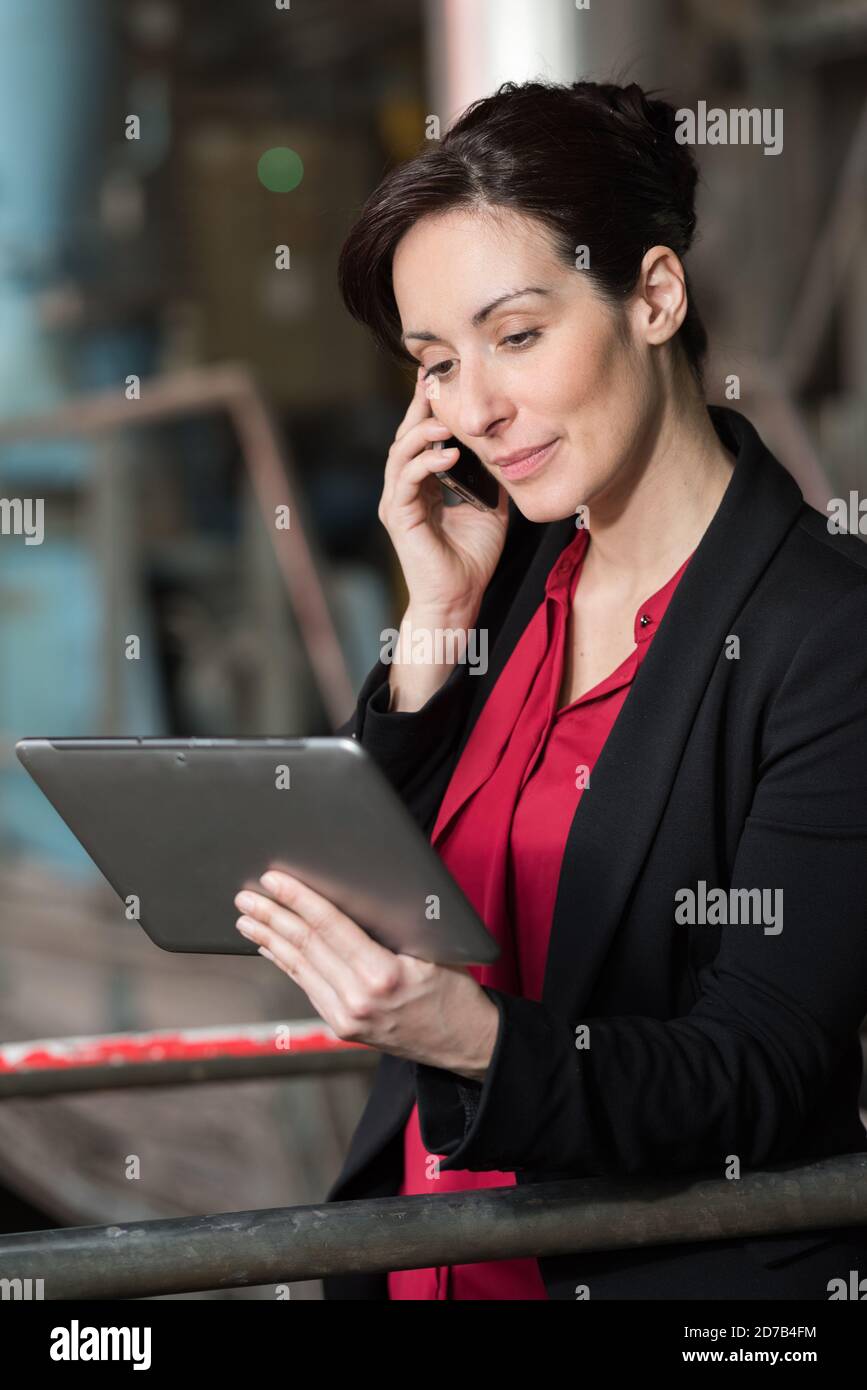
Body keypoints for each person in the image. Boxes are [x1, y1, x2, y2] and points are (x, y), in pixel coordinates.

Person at [232, 78, 867, 1299]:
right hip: (425, 1262)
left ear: (656, 296)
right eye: (436, 364)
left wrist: (465, 1037)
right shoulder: (508, 580)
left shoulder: (826, 634)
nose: (477, 409)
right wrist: (434, 622)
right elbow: (373, 881)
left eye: (516, 336)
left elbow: (756, 1073)